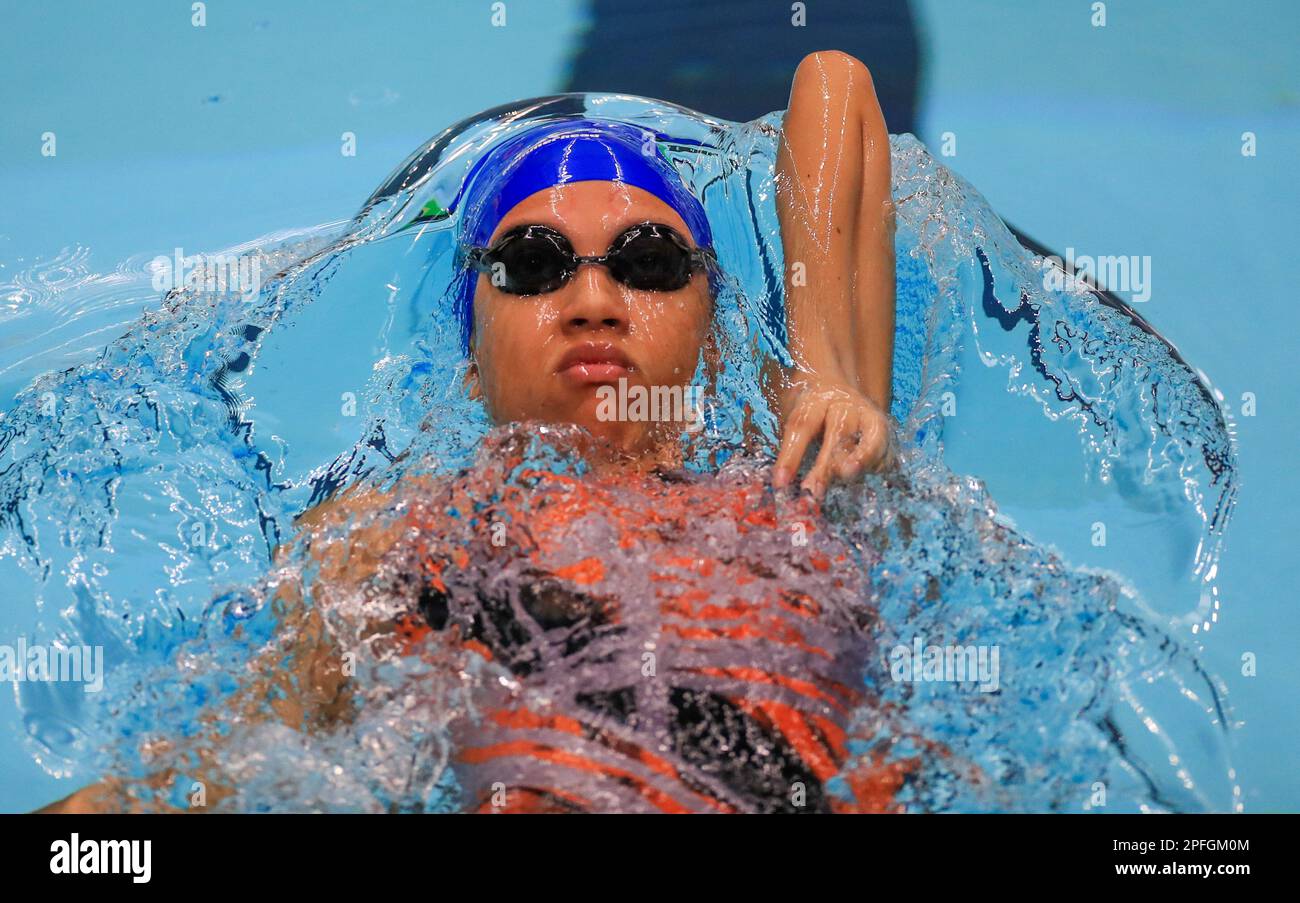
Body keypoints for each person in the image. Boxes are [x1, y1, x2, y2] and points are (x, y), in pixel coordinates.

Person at [40, 50, 911, 814]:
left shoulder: (807, 468)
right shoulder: (403, 540)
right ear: (471, 358)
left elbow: (836, 84)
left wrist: (823, 369)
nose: (595, 303)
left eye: (649, 262)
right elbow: (210, 776)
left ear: (715, 342)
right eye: (533, 267)